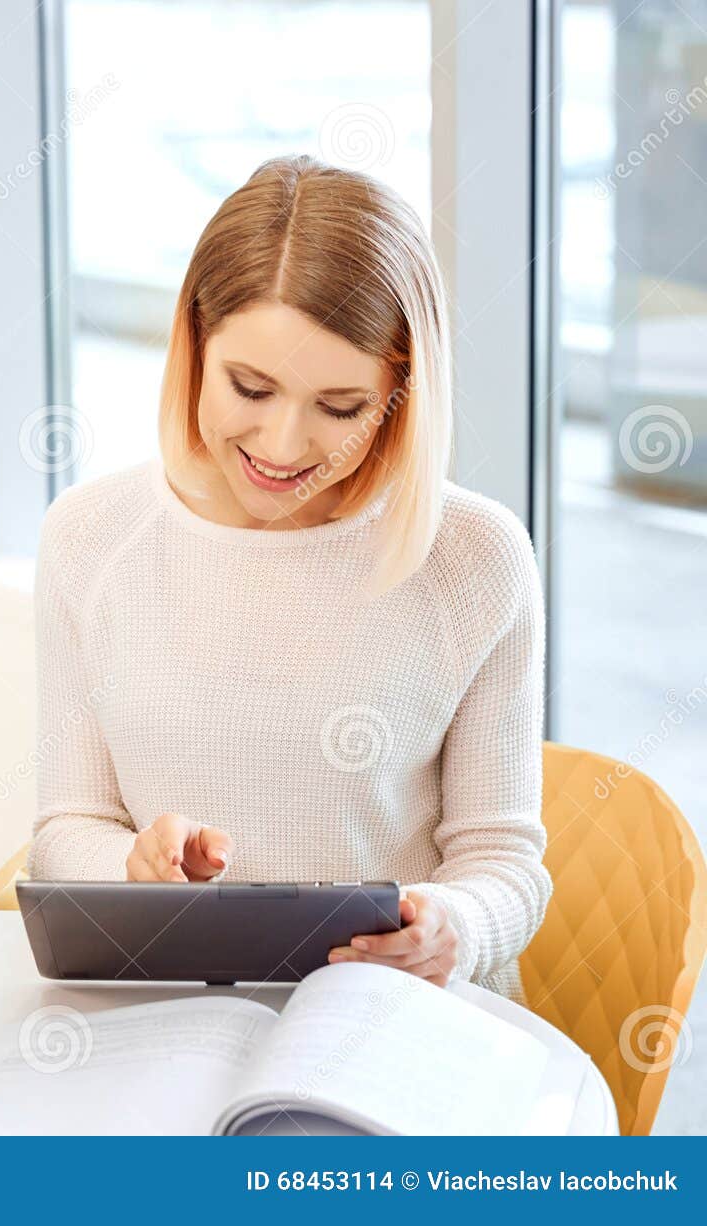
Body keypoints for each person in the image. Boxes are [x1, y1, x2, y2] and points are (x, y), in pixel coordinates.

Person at [28, 155, 550, 1001]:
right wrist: (130, 864)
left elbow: (504, 861)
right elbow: (64, 828)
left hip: (392, 1031)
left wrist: (454, 927)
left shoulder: (476, 558)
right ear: (193, 345)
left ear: (402, 392)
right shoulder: (90, 539)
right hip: (167, 1024)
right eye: (250, 387)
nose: (281, 445)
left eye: (340, 407)